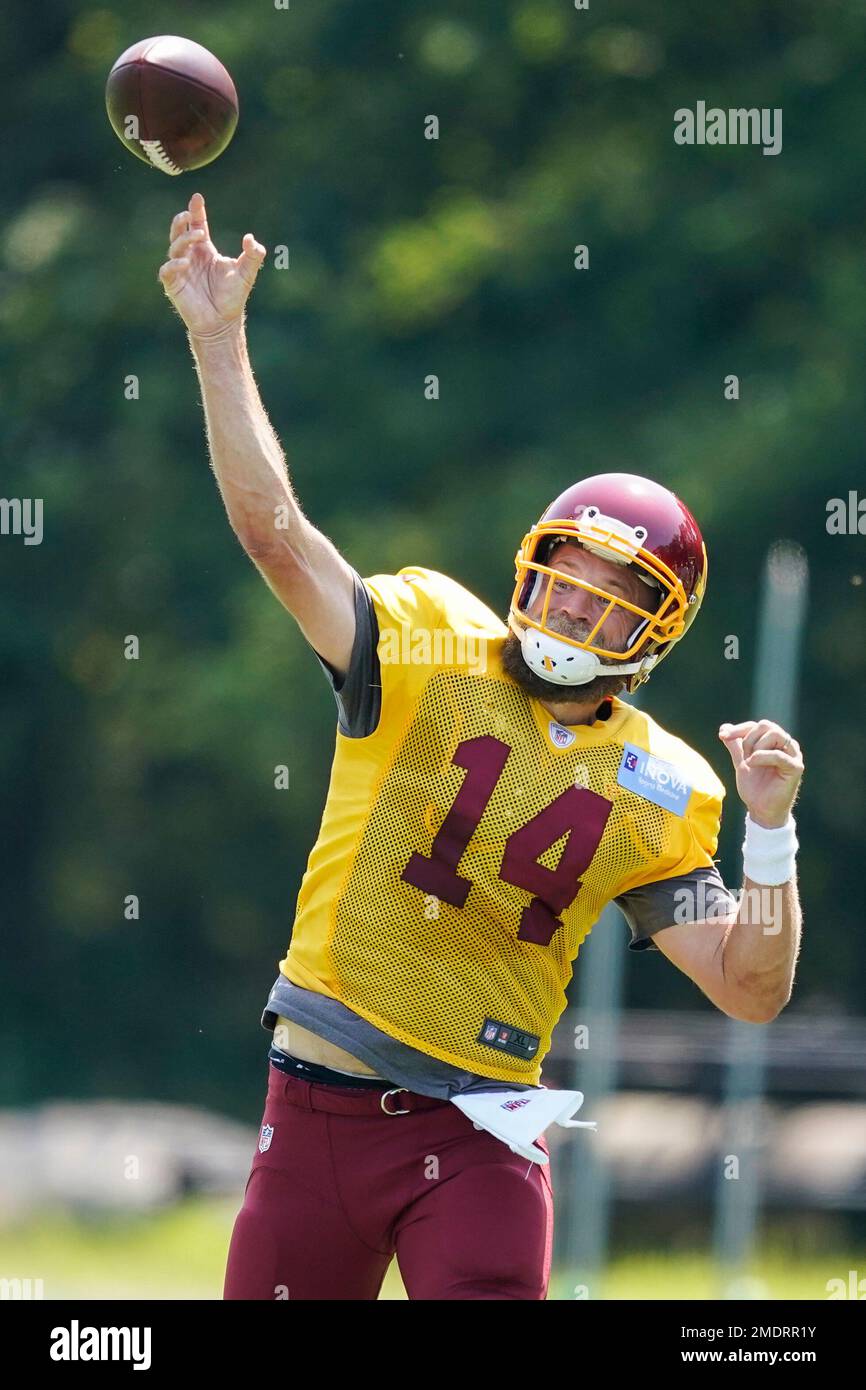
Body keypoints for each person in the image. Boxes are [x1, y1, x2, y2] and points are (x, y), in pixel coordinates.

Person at [159, 193, 805, 1301]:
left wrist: (772, 834)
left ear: (652, 635)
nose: (573, 611)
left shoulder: (662, 783)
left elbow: (749, 990)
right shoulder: (426, 646)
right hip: (317, 1100)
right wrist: (218, 338)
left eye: (608, 601)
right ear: (528, 567)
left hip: (482, 1126)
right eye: (564, 579)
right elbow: (276, 537)